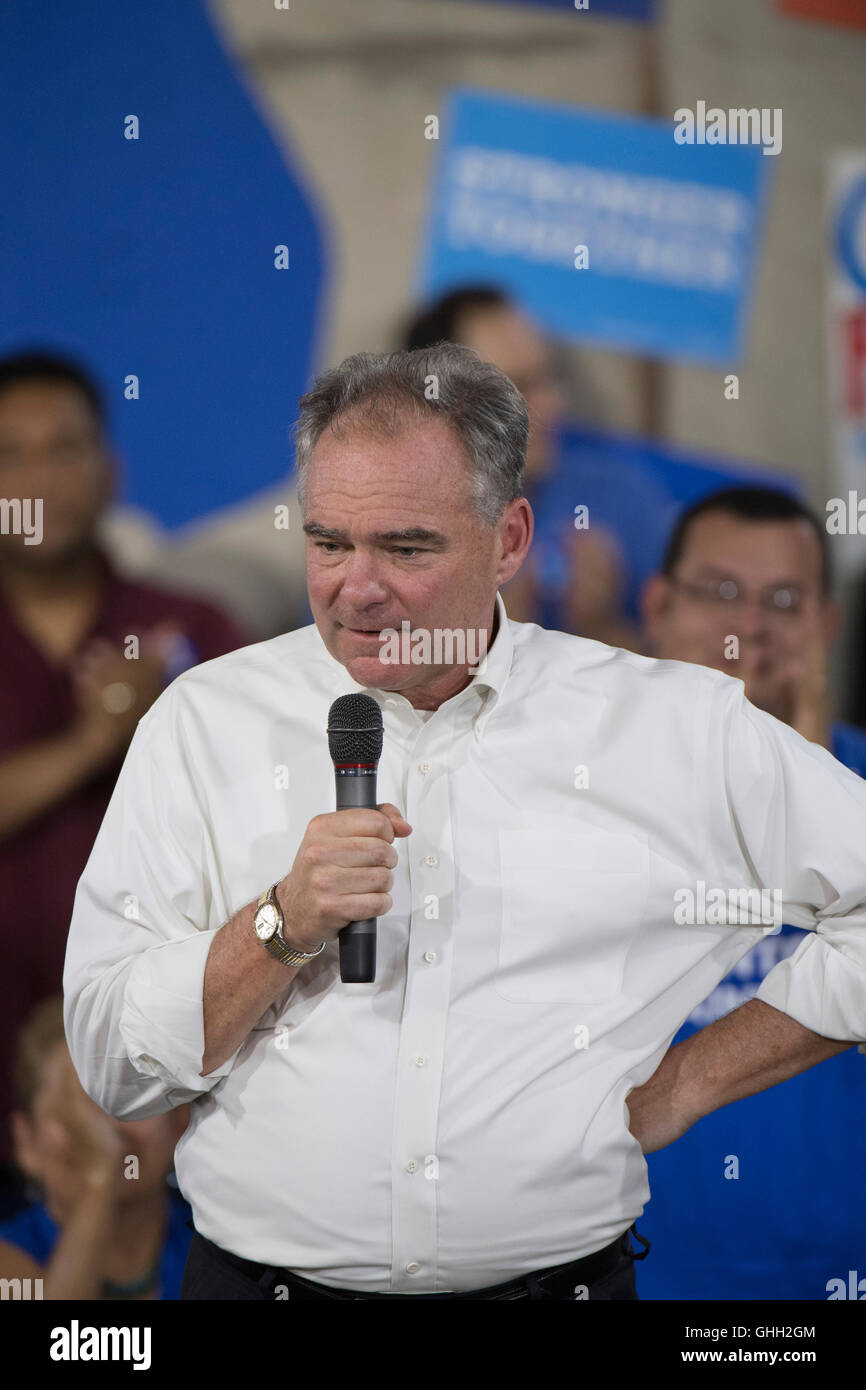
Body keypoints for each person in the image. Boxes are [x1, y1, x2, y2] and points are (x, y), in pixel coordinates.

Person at [64, 345, 866, 1302]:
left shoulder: (667, 725)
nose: (355, 587)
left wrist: (692, 1081)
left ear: (511, 539)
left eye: (405, 548)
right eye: (328, 543)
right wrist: (277, 926)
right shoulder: (203, 723)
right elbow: (112, 1060)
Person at [0, 351, 250, 1207]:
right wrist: (95, 739)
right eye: (10, 453)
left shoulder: (195, 626)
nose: (40, 478)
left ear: (110, 468)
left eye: (64, 448)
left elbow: (260, 823)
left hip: (173, 1079)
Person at [638, 484, 866, 1298]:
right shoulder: (582, 795)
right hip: (633, 1278)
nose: (750, 628)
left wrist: (818, 806)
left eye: (784, 600)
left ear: (827, 625)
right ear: (657, 605)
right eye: (721, 592)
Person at [401, 286, 641, 647]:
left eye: (548, 378)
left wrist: (604, 631)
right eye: (517, 389)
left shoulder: (617, 495)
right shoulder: (385, 519)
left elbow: (690, 673)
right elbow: (347, 673)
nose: (551, 404)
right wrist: (492, 643)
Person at [0, 997, 191, 1299]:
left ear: (180, 1120)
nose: (106, 1129)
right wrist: (98, 1180)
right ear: (27, 1142)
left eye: (126, 1101)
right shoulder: (7, 1257)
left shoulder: (224, 1249)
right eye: (75, 1112)